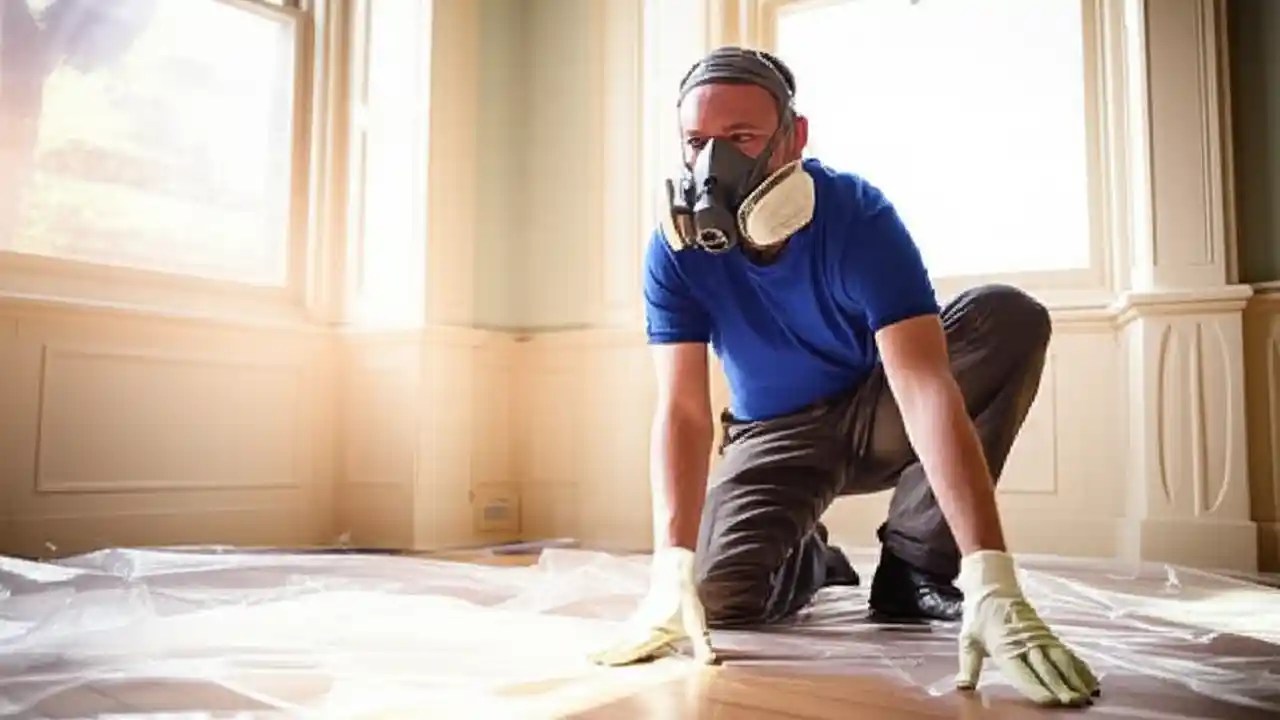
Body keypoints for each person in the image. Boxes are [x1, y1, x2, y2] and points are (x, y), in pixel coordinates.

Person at [588, 46, 1101, 708]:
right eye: (698, 143)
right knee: (716, 599)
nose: (716, 165)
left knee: (1007, 317)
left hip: (877, 406)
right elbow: (684, 411)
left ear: (792, 138)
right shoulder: (676, 251)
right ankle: (806, 556)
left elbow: (923, 384)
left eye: (741, 137)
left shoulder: (858, 216)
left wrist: (990, 576)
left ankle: (916, 566)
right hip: (772, 434)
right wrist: (671, 565)